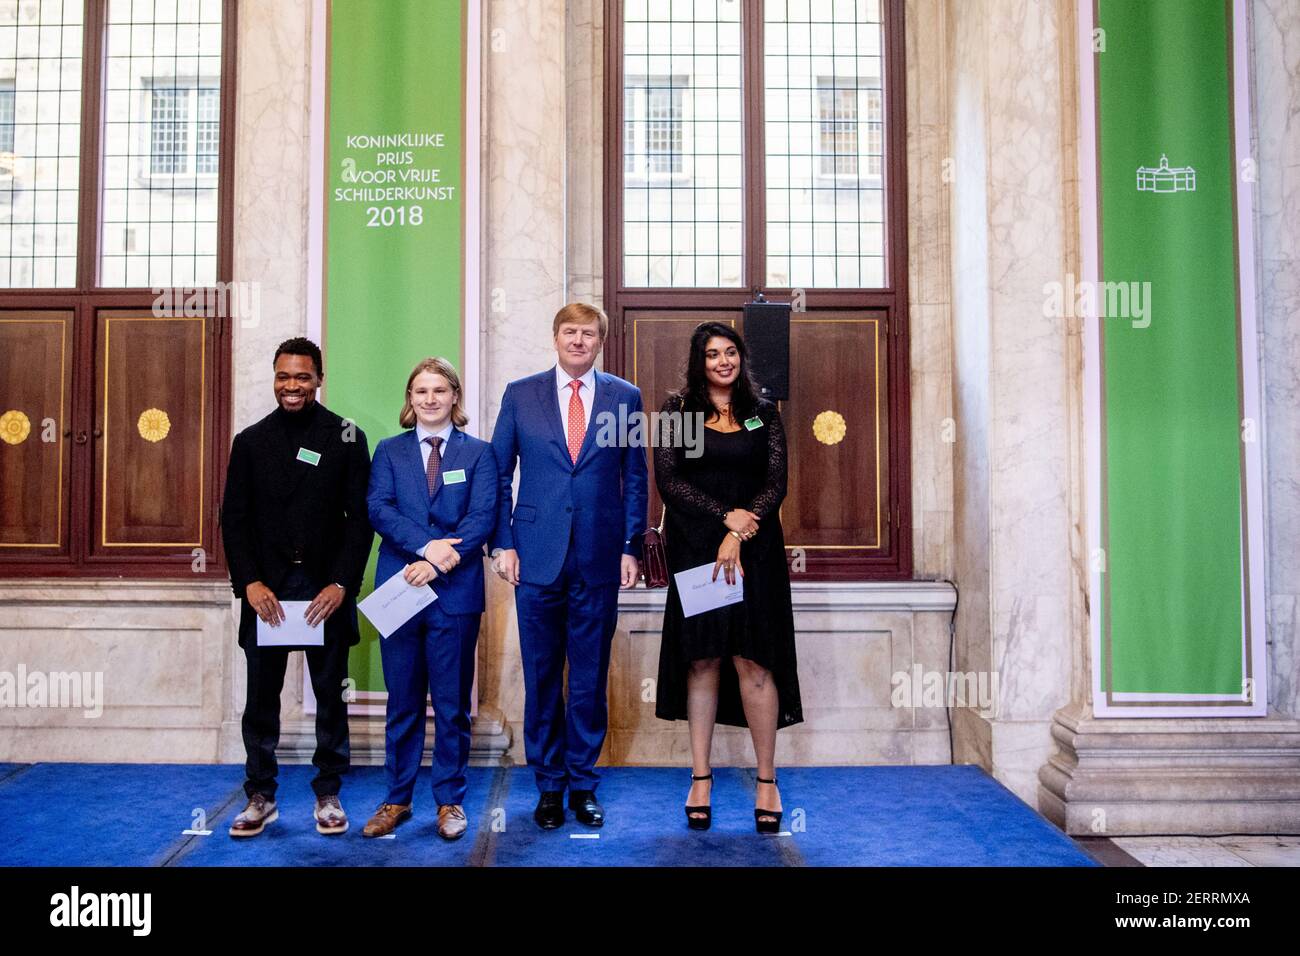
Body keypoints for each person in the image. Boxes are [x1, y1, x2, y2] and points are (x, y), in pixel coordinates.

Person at [490, 302, 648, 829]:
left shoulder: (625, 397)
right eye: (569, 332)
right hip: (533, 558)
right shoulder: (521, 394)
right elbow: (497, 474)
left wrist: (631, 546)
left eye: (588, 334)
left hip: (600, 558)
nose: (578, 341)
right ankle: (549, 786)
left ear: (600, 341)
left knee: (587, 679)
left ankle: (583, 783)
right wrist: (503, 543)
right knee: (540, 678)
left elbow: (634, 477)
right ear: (555, 338)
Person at [653, 322, 803, 833]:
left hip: (755, 553)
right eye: (713, 353)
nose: (723, 361)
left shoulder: (763, 414)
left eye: (731, 351)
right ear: (699, 361)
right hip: (697, 553)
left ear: (741, 358)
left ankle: (767, 781)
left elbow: (776, 484)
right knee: (703, 661)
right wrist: (723, 519)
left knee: (755, 663)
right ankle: (700, 778)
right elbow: (670, 482)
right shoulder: (679, 412)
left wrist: (738, 532)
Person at [220, 336, 372, 837]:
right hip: (268, 596)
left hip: (325, 594)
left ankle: (328, 793)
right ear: (274, 379)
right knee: (260, 703)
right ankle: (260, 795)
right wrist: (250, 583)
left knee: (332, 699)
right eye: (284, 376)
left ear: (319, 379)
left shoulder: (349, 437)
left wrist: (341, 584)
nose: (292, 386)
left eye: (302, 377)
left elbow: (360, 522)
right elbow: (233, 521)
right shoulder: (249, 441)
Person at [362, 357, 498, 841]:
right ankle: (396, 799)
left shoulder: (480, 454)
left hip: (455, 594)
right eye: (421, 391)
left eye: (439, 390)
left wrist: (439, 561)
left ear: (455, 396)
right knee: (402, 702)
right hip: (400, 588)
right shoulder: (389, 451)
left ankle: (450, 802)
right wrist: (424, 549)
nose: (430, 398)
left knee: (451, 705)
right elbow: (378, 507)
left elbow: (483, 517)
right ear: (410, 398)